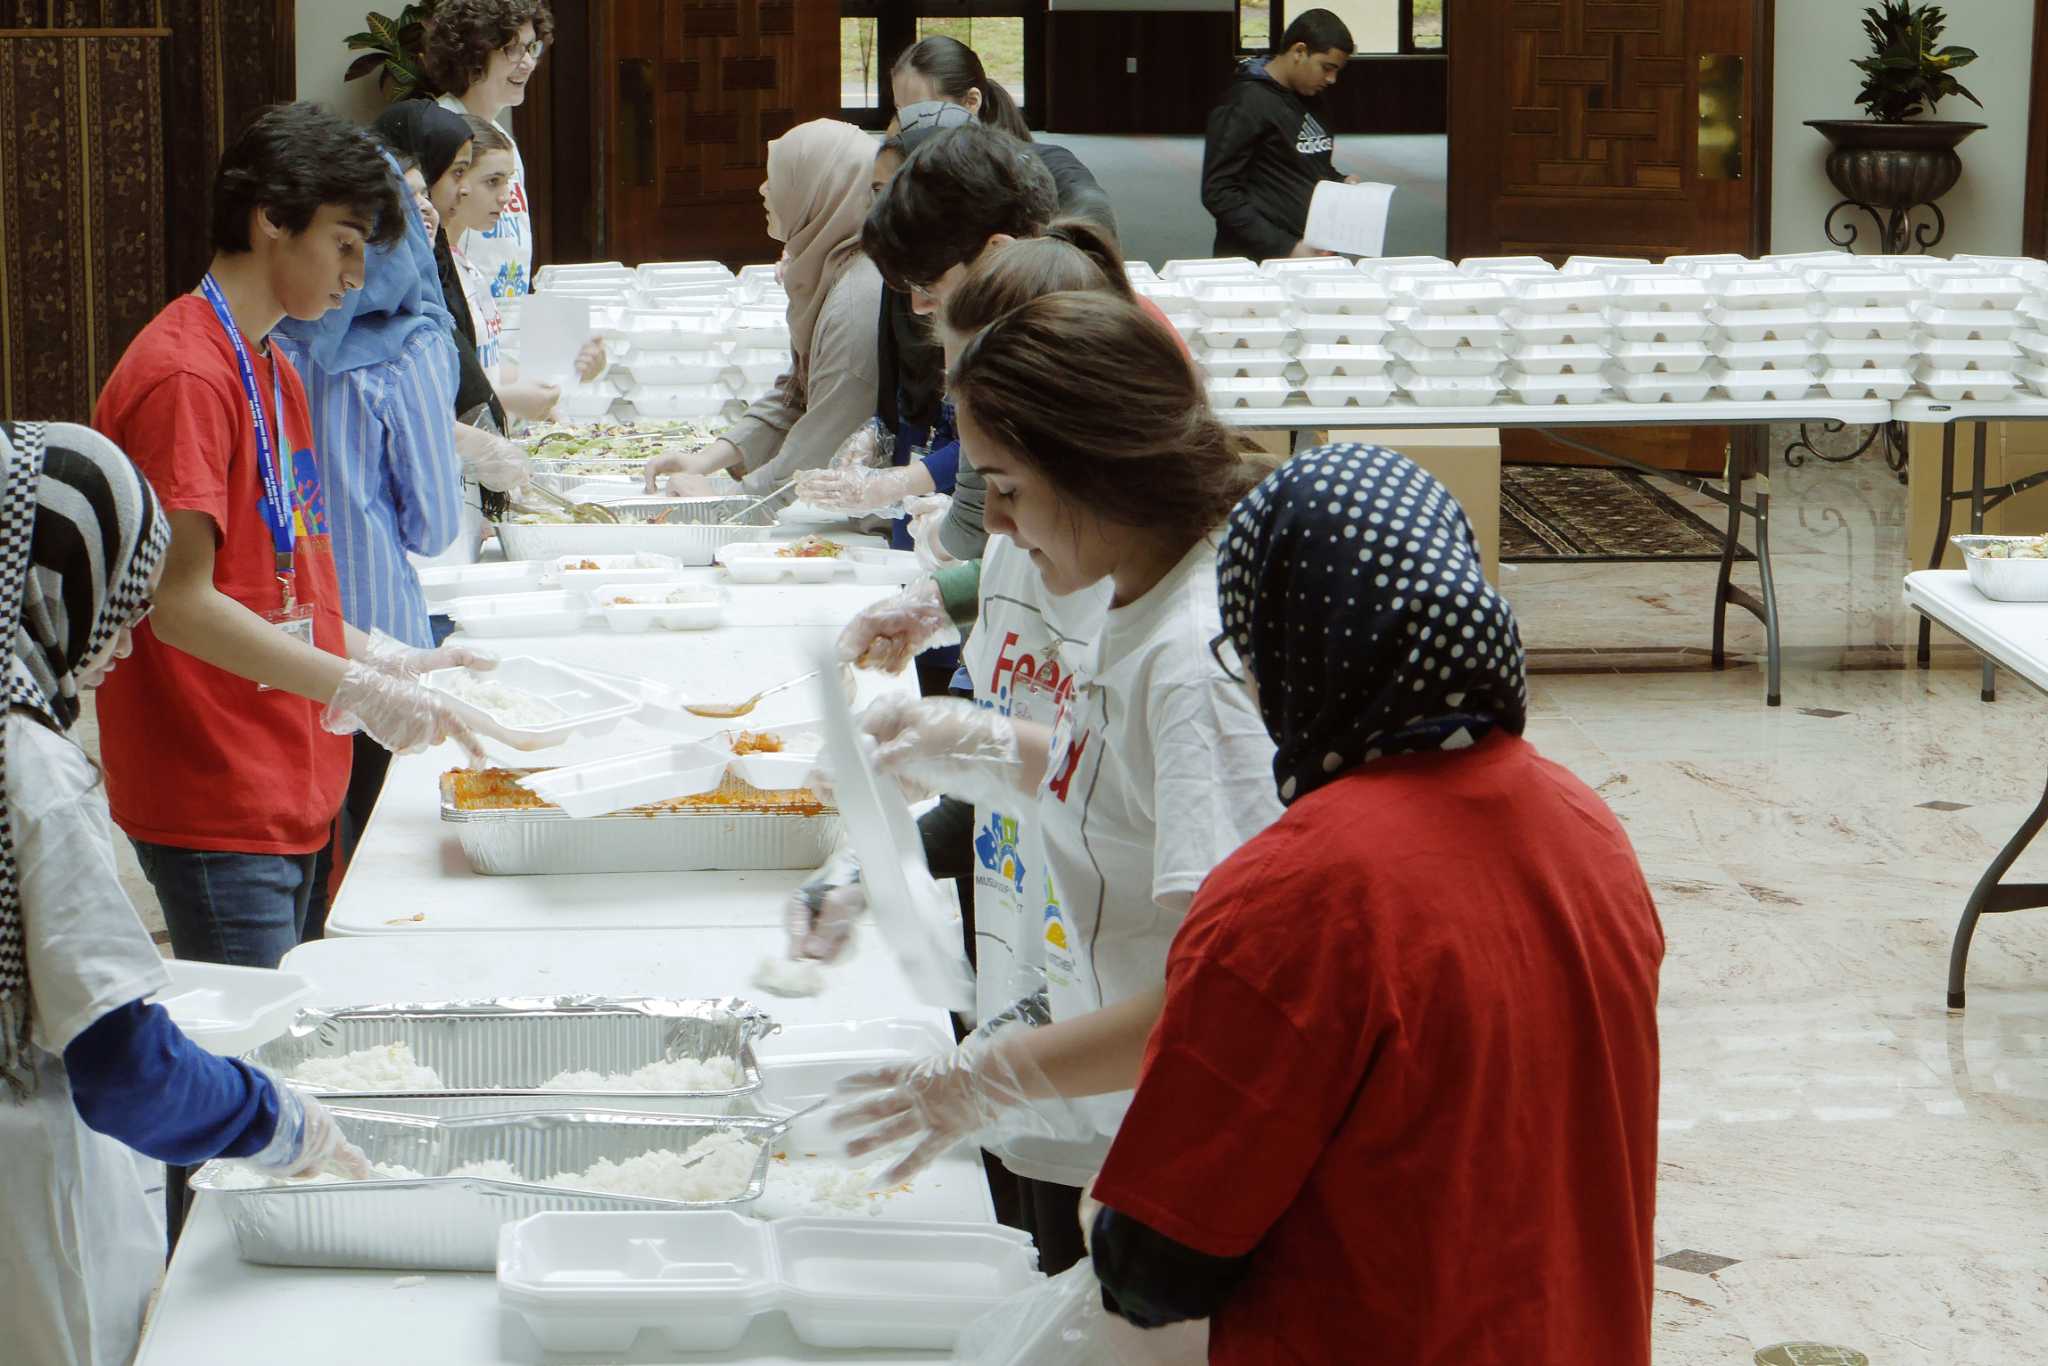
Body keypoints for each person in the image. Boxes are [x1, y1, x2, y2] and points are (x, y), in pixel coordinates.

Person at [1084, 444, 1665, 1363]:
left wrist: (1101, 1216)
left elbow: (1159, 1266)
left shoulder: (1295, 897)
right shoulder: (1588, 831)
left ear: (1297, 642)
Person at [823, 292, 1282, 1273]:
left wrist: (988, 1076)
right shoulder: (1129, 590)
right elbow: (1116, 783)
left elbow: (1218, 1004)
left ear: (1095, 467)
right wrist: (980, 744)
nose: (992, 523)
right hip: (1124, 1098)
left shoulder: (1192, 664)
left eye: (1007, 488)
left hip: (1187, 1142)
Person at [0, 422, 371, 1366]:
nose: (129, 639)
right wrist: (275, 1120)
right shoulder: (29, 770)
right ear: (54, 584)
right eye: (119, 602)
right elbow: (125, 1071)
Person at [92, 102, 485, 969]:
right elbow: (181, 607)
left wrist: (392, 658)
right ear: (271, 219)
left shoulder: (273, 362)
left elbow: (288, 588)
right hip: (216, 783)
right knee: (267, 1037)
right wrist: (357, 683)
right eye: (343, 243)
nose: (356, 275)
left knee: (308, 1017)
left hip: (292, 767)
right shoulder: (186, 374)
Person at [272, 146, 479, 918]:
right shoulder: (412, 345)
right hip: (379, 635)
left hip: (279, 631)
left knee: (304, 845)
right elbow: (432, 524)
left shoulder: (272, 333)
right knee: (379, 864)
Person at [641, 119, 883, 497]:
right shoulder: (826, 269)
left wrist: (725, 502)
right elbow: (797, 392)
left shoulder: (856, 302)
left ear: (817, 192)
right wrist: (707, 459)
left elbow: (822, 443)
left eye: (781, 178)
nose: (764, 189)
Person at [889, 35, 1116, 234]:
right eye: (900, 110)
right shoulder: (908, 174)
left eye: (920, 111)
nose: (906, 124)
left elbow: (1090, 209)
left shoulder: (1046, 162)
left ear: (971, 102)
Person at [1201, 7, 1355, 261]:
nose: (1332, 79)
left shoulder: (1312, 97)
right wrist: (1285, 247)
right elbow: (1219, 192)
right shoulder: (1245, 101)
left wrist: (1340, 181)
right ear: (1299, 51)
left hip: (1311, 250)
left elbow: (1306, 166)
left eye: (1337, 70)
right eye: (1326, 67)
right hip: (1256, 259)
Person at [424, 0, 552, 301]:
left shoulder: (503, 139)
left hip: (503, 315)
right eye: (513, 49)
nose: (528, 63)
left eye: (531, 48)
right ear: (474, 55)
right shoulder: (439, 134)